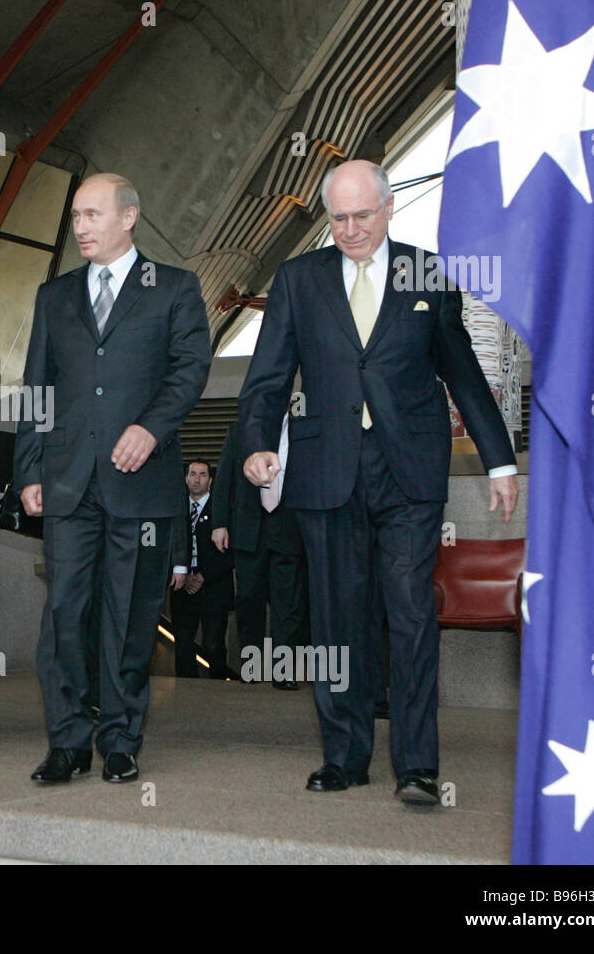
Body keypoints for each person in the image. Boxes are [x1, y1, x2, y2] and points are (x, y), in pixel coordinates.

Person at [238, 159, 518, 805]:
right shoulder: (297, 279)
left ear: (389, 208)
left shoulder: (425, 271)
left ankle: (417, 764)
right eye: (338, 218)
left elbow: (462, 371)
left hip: (409, 467)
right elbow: (268, 374)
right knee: (336, 617)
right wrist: (256, 443)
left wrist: (499, 460)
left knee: (412, 612)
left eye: (363, 215)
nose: (351, 229)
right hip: (326, 466)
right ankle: (344, 755)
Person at [15, 172, 211, 785]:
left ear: (129, 217)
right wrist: (28, 469)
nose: (80, 228)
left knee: (130, 618)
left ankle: (121, 739)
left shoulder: (175, 289)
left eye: (93, 215)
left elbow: (191, 370)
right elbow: (37, 390)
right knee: (66, 615)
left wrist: (151, 428)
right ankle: (67, 741)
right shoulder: (56, 295)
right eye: (75, 217)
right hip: (68, 483)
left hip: (142, 482)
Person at [211, 418, 309, 689]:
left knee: (288, 604)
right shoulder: (239, 431)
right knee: (248, 599)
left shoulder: (304, 430)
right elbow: (224, 477)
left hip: (289, 527)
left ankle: (284, 671)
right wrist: (219, 524)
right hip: (248, 527)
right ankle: (251, 666)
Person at [170, 460, 237, 679]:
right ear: (185, 478)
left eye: (202, 474)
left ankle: (218, 690)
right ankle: (186, 694)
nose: (196, 479)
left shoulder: (223, 508)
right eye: (192, 474)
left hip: (214, 587)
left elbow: (232, 551)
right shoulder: (175, 508)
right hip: (182, 585)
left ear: (210, 479)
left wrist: (203, 576)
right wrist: (186, 575)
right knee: (182, 644)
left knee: (213, 645)